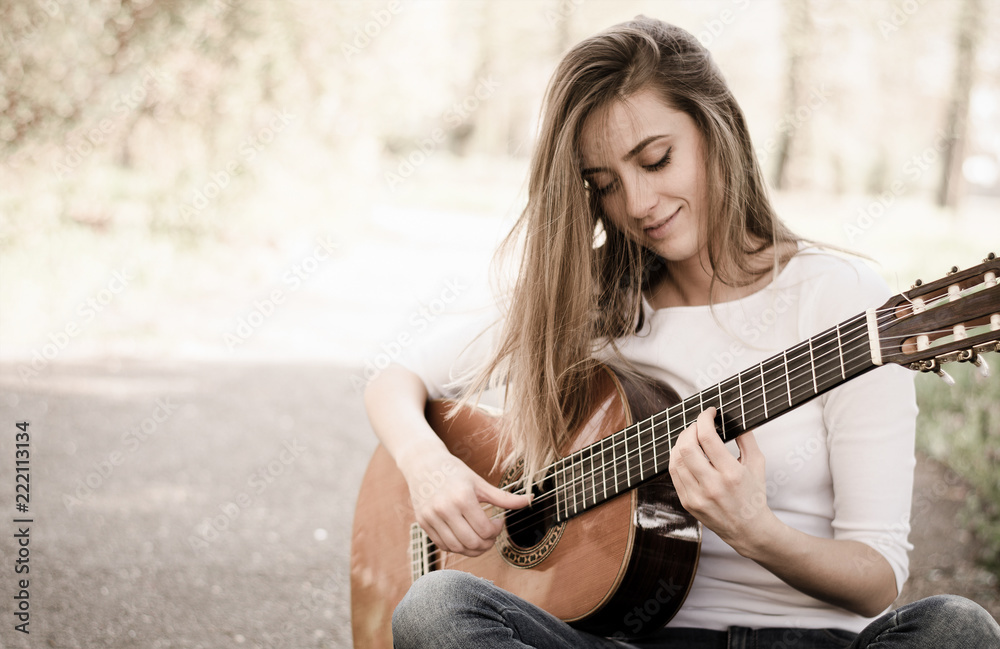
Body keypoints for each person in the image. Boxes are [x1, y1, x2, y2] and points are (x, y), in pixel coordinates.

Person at [363, 15, 1000, 649]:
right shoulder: (591, 305)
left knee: (957, 629)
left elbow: (877, 579)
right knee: (437, 606)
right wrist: (427, 467)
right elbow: (396, 379)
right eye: (605, 185)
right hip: (625, 640)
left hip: (812, 642)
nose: (638, 203)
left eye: (656, 160)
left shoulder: (844, 299)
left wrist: (755, 529)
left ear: (714, 128)